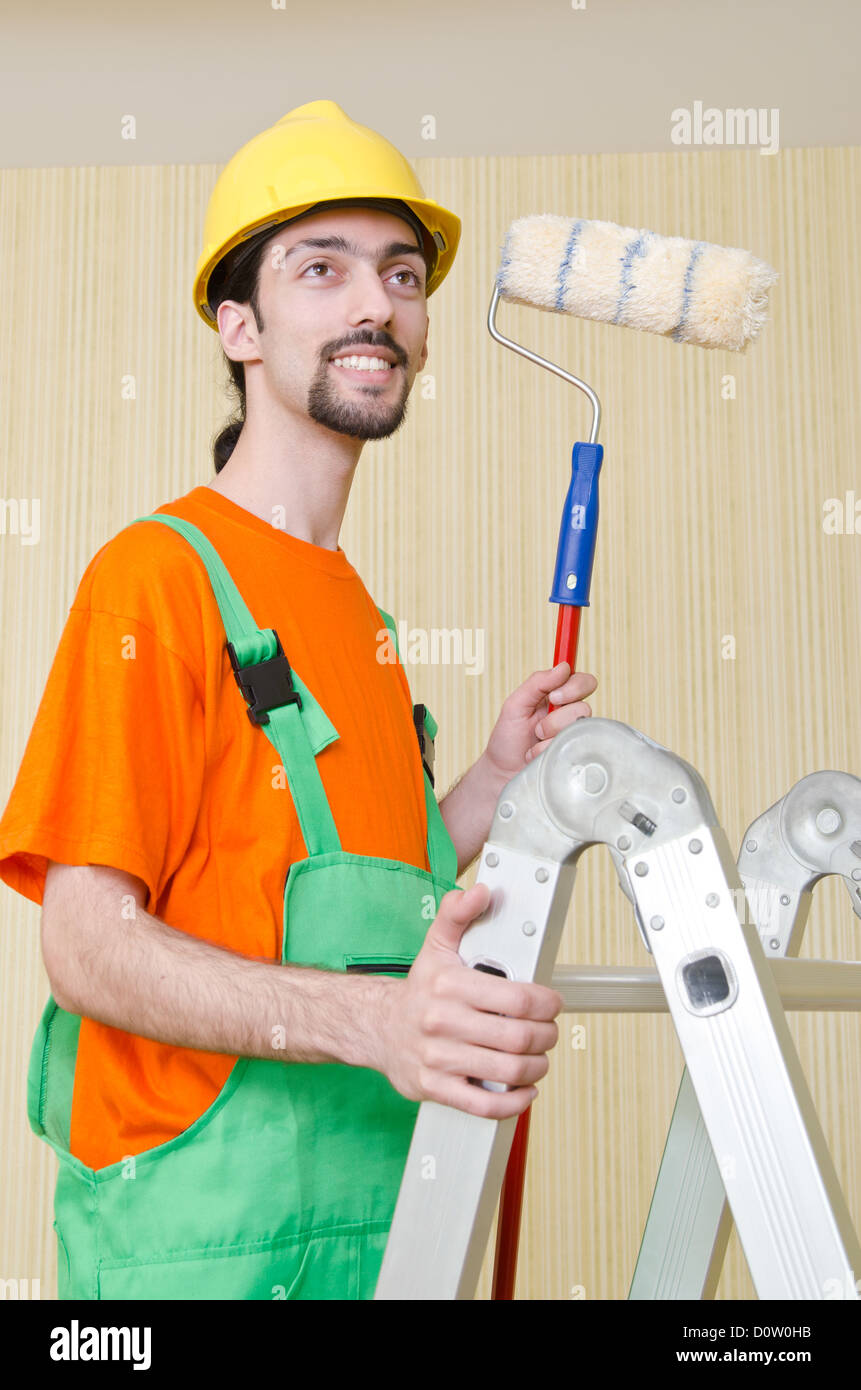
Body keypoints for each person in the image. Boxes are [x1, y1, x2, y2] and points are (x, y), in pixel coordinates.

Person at [0, 100, 597, 1300]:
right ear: (239, 326)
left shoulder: (357, 616)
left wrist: (484, 783)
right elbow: (84, 944)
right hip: (197, 1241)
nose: (374, 303)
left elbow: (343, 879)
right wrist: (377, 1027)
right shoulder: (158, 578)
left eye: (400, 272)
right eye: (319, 270)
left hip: (380, 1220)